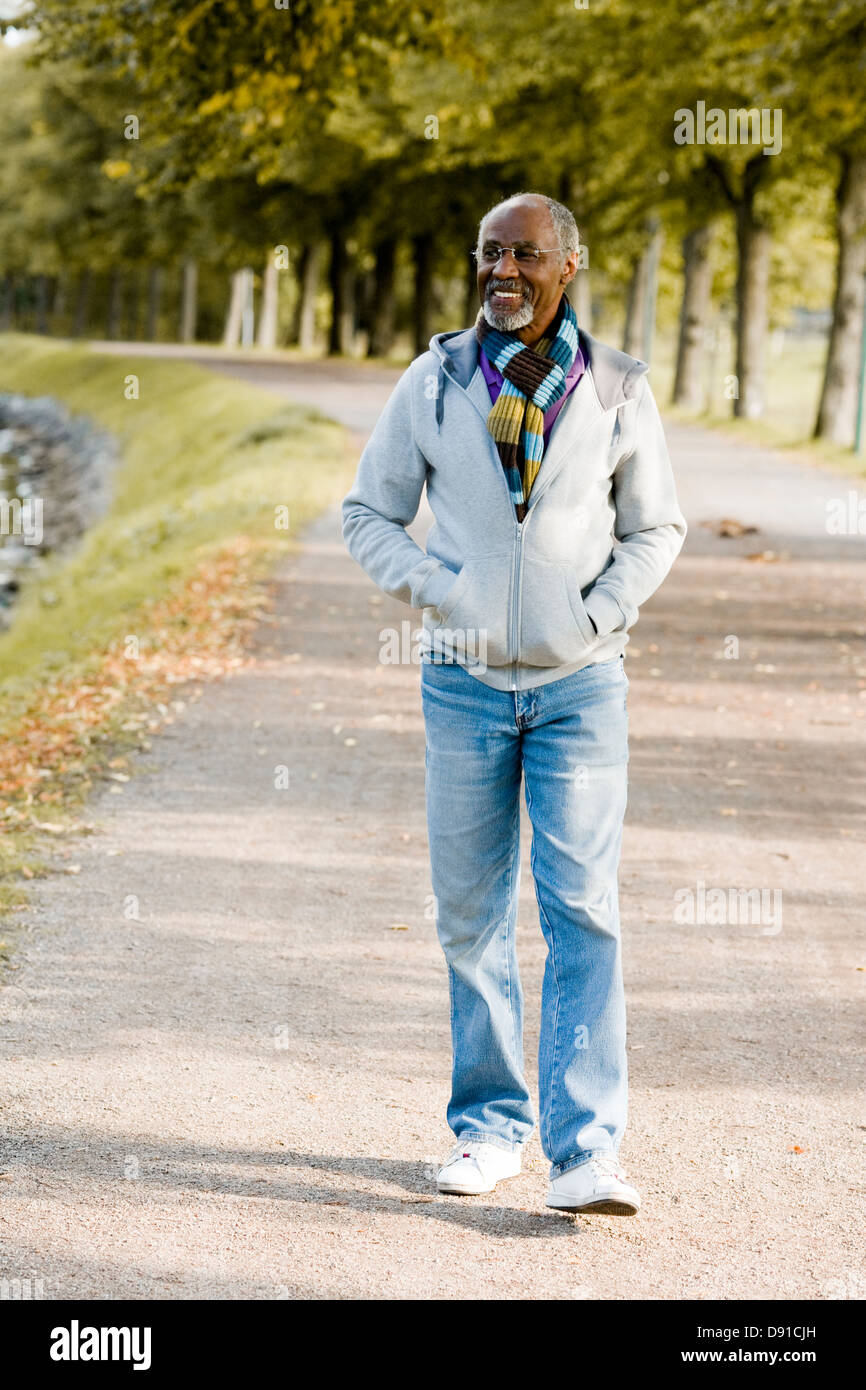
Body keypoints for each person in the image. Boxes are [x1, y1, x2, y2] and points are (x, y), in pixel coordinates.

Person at [341, 192, 687, 1215]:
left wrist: (595, 618)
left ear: (565, 267)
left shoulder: (618, 385)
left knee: (582, 911)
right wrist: (441, 590)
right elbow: (367, 511)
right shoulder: (434, 378)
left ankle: (585, 1153)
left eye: (524, 254)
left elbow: (655, 528)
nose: (502, 269)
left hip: (580, 686)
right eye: (490, 252)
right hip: (462, 683)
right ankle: (488, 1131)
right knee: (468, 914)